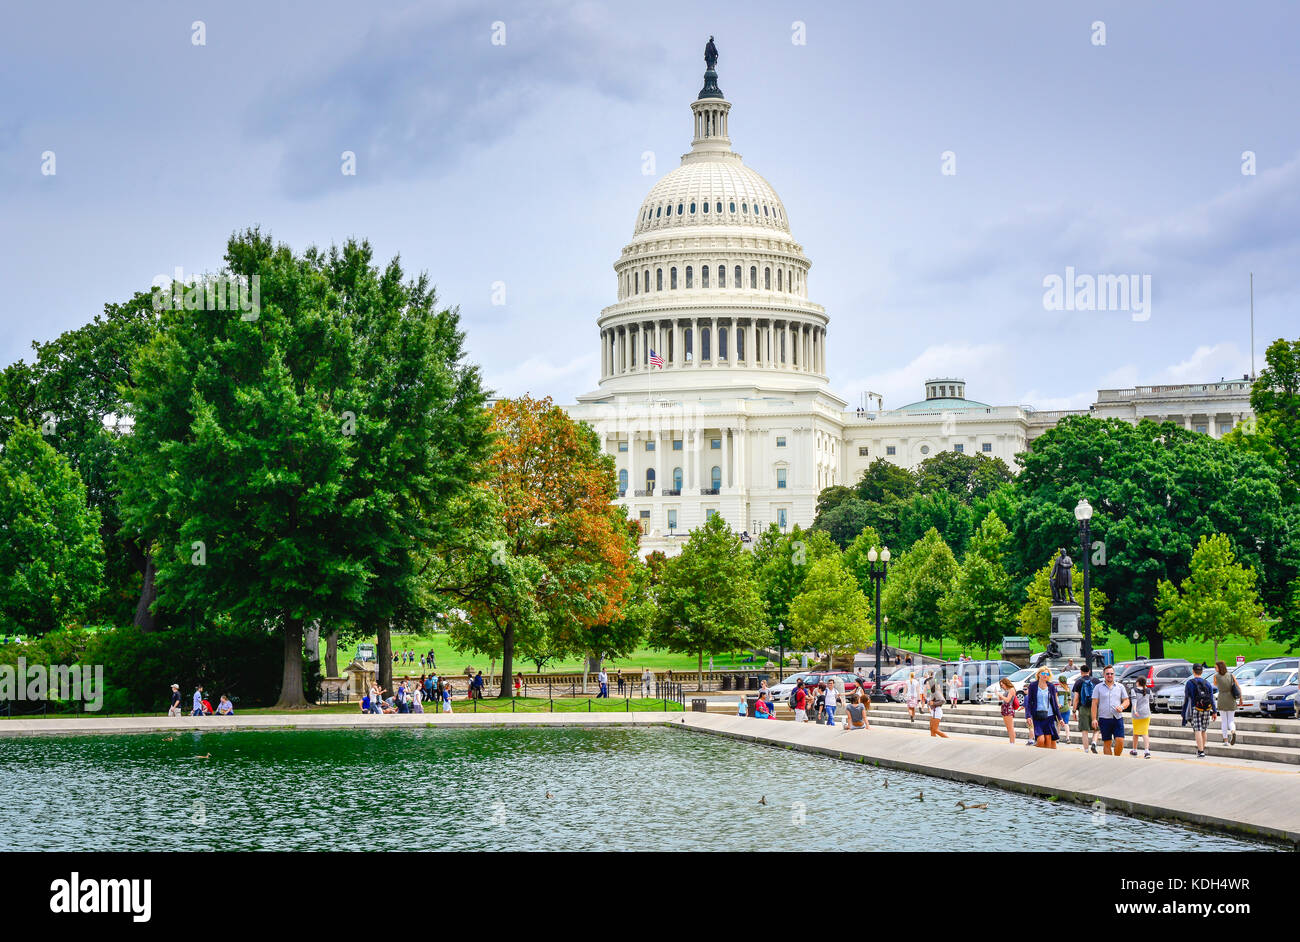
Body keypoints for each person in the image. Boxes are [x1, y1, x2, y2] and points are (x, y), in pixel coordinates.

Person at [1091, 665, 1130, 757]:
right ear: (1104, 675)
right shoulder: (1098, 687)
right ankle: (1109, 762)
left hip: (1117, 718)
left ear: (1114, 674)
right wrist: (1094, 719)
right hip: (1104, 719)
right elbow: (1094, 704)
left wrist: (1122, 707)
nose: (1110, 675)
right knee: (1107, 743)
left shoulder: (1120, 687)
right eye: (1107, 674)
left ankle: (1116, 758)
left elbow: (1126, 700)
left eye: (1111, 674)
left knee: (1120, 741)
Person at [1182, 663, 1217, 757]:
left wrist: (1183, 713)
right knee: (1204, 730)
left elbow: (1186, 698)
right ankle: (1202, 750)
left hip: (1195, 708)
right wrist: (1214, 711)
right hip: (1206, 708)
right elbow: (1211, 698)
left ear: (1193, 671)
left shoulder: (1189, 683)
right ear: (1201, 672)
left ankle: (1200, 751)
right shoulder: (1207, 683)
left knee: (1197, 729)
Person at [1024, 668, 1062, 748]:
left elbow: (1054, 703)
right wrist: (1028, 716)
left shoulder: (1051, 686)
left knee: (1048, 741)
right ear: (1038, 674)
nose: (1045, 675)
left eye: (1047, 674)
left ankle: (1045, 759)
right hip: (1037, 716)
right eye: (1043, 673)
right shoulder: (1033, 686)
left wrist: (1060, 718)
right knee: (1041, 740)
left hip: (1049, 716)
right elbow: (1029, 702)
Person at [1212, 660, 1242, 746]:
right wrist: (1240, 699)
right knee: (1231, 720)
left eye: (1216, 667)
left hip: (1222, 698)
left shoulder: (1215, 676)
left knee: (1224, 721)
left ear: (1219, 667)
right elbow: (1238, 687)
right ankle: (1233, 731)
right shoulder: (1231, 675)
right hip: (1231, 698)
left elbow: (1215, 684)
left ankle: (1225, 741)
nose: (1215, 668)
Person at [1072, 665, 1097, 753]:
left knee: (1084, 731)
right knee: (1096, 729)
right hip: (1094, 707)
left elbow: (1076, 698)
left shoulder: (1078, 682)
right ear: (1089, 671)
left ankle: (1086, 750)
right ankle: (1094, 742)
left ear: (1081, 672)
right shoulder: (1095, 681)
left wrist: (1074, 711)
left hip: (1083, 708)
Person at [1129, 676, 1152, 758]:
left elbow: (1134, 701)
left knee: (1136, 732)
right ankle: (1146, 751)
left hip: (1136, 715)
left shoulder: (1134, 690)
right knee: (1145, 732)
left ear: (1138, 682)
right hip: (1146, 714)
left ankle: (1135, 750)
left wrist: (1135, 711)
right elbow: (1151, 700)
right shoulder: (1149, 690)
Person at [924, 671, 947, 738]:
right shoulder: (931, 692)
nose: (926, 685)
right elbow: (930, 701)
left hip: (937, 711)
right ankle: (933, 741)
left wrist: (933, 703)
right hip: (933, 711)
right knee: (931, 729)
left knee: (935, 729)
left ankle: (948, 740)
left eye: (927, 684)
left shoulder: (936, 692)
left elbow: (943, 701)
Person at [997, 677, 1017, 743]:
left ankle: (1012, 743)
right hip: (1004, 708)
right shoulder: (1007, 690)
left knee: (1010, 728)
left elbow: (1008, 700)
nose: (1002, 686)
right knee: (1008, 728)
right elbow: (1002, 699)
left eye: (1002, 685)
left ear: (1006, 683)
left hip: (1008, 708)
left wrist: (1001, 695)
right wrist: (999, 696)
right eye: (1001, 685)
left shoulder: (1011, 689)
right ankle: (1011, 742)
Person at [1056, 675, 1072, 745]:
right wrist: (1068, 706)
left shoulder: (1057, 688)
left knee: (1059, 724)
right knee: (1066, 723)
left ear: (1060, 681)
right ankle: (1068, 738)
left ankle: (1057, 738)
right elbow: (1069, 699)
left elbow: (1056, 698)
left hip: (1059, 708)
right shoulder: (1067, 688)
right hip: (1066, 708)